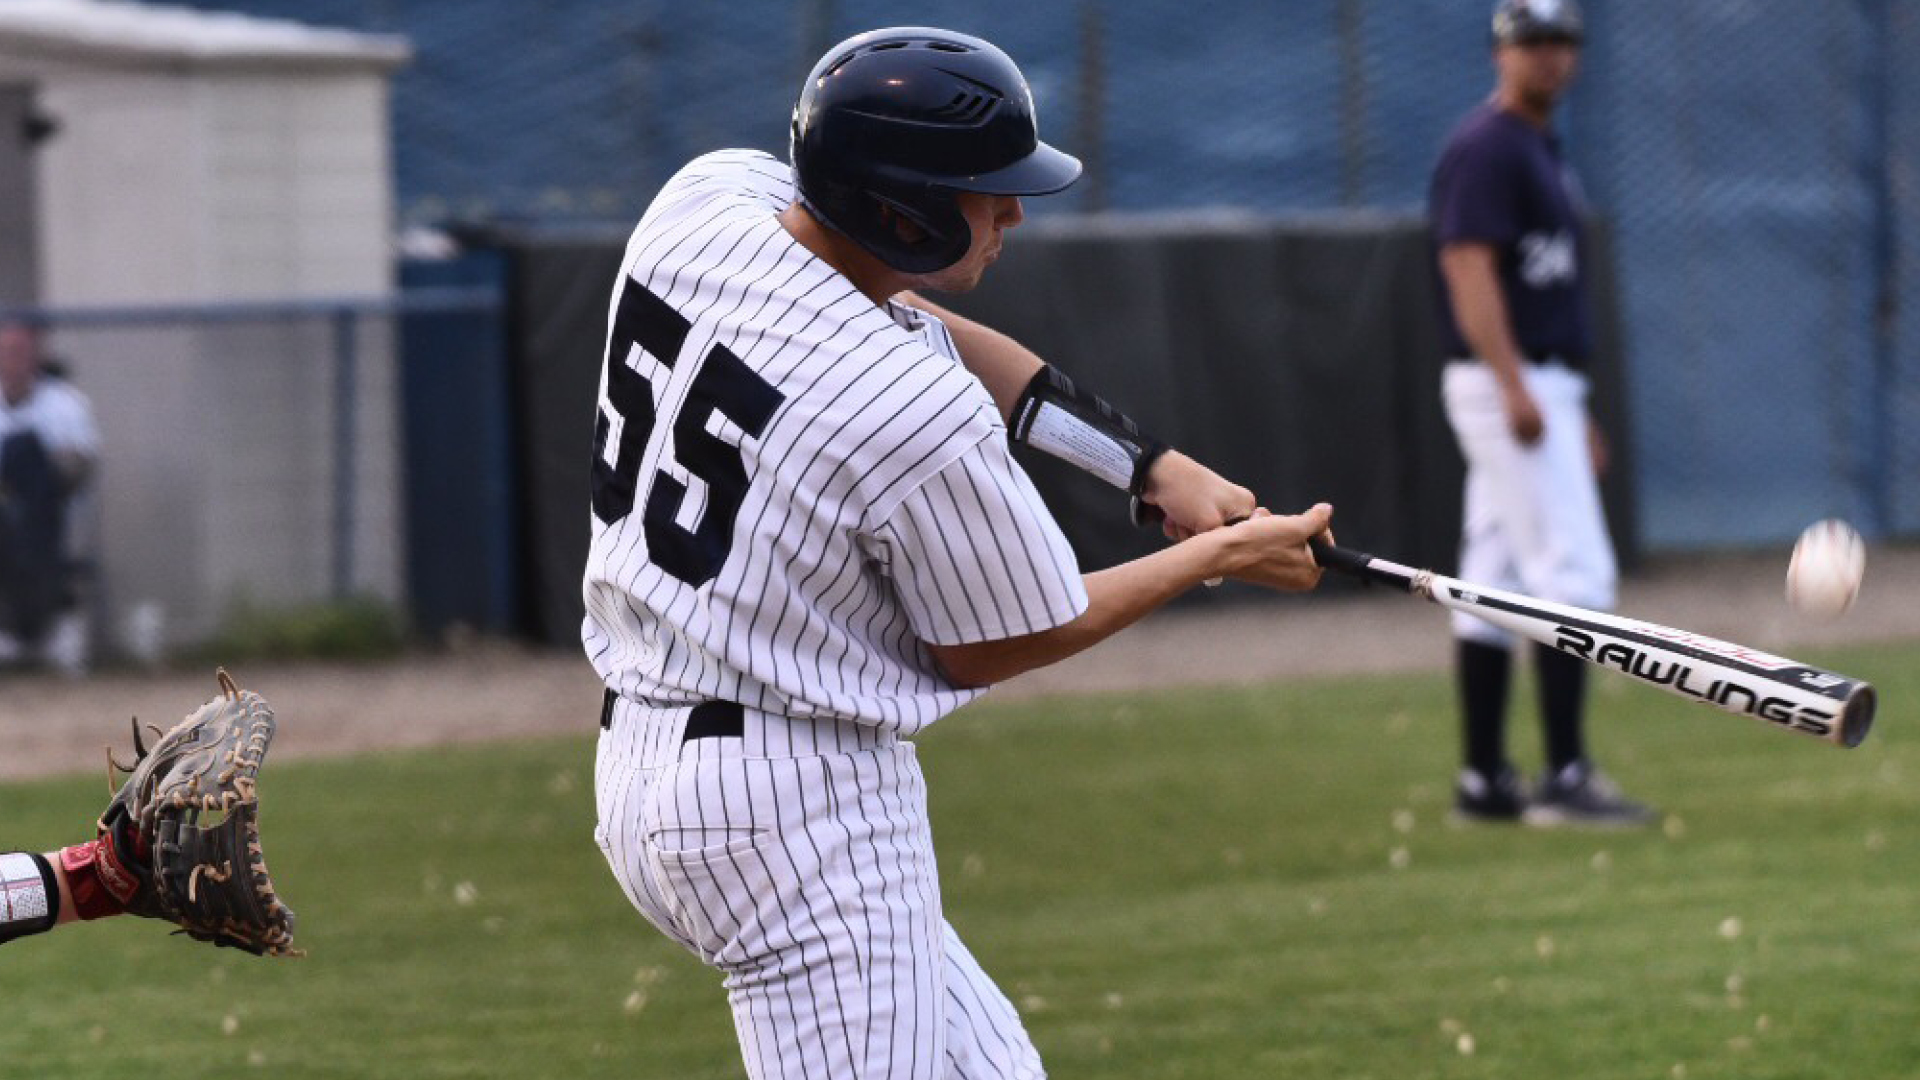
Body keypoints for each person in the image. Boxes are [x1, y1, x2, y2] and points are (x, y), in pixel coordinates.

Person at [585, 27, 1333, 1078]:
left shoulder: (704, 205)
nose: (1014, 211)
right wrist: (1213, 560)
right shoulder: (908, 411)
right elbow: (997, 640)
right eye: (987, 188)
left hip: (648, 766)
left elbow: (909, 316)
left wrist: (1146, 466)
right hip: (798, 813)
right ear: (904, 208)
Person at [1428, 0, 1655, 826]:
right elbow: (1466, 266)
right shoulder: (1490, 145)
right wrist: (1518, 384)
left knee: (1494, 576)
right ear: (1501, 52)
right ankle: (1565, 777)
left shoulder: (1537, 146)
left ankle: (1484, 782)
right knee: (1575, 575)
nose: (1551, 56)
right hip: (1509, 382)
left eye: (1562, 41)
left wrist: (1565, 404)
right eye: (1534, 41)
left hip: (1534, 384)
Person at [0, 318, 100, 675]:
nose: (13, 360)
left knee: (28, 456)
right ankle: (12, 631)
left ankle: (48, 633)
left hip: (53, 514)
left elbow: (80, 464)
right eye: (7, 352)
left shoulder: (64, 403)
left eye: (21, 352)